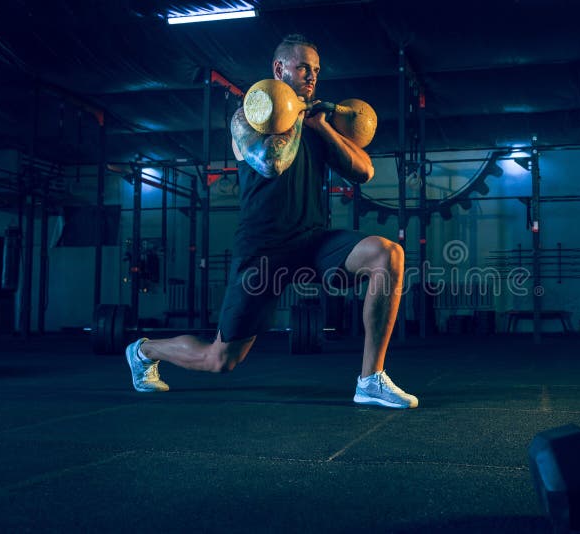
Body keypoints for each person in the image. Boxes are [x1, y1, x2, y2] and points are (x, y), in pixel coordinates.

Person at [124, 34, 418, 409]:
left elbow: (365, 172)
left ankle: (370, 380)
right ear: (279, 69)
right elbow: (271, 163)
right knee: (221, 359)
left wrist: (322, 127)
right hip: (264, 250)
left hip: (313, 243)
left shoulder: (316, 125)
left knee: (387, 254)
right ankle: (144, 351)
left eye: (315, 70)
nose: (311, 76)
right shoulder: (247, 116)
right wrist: (295, 115)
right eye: (302, 68)